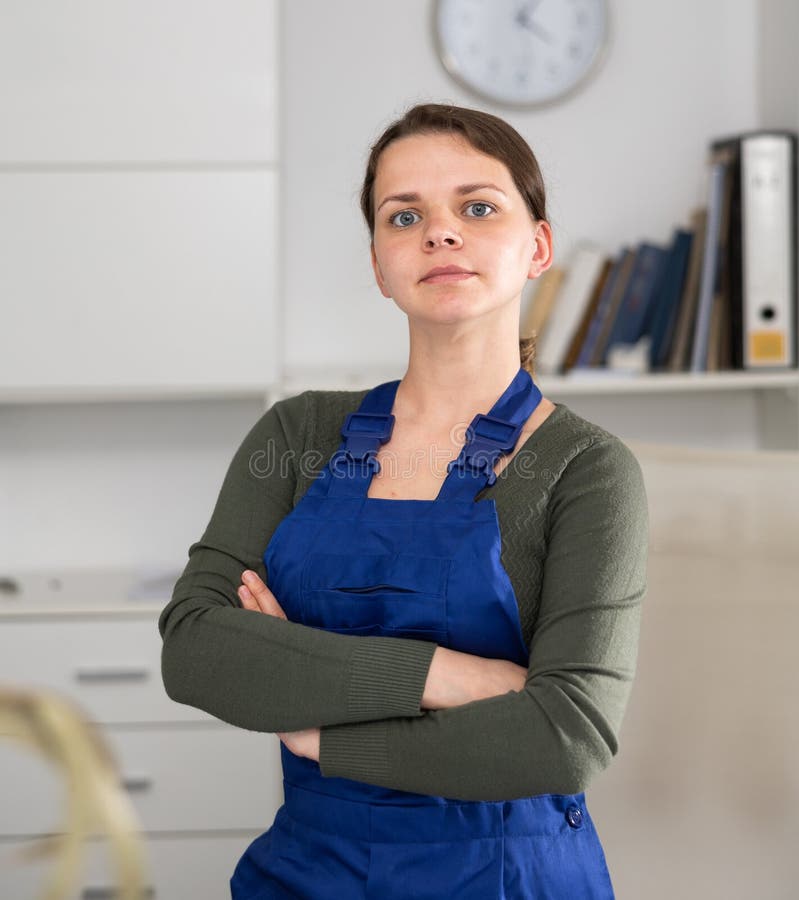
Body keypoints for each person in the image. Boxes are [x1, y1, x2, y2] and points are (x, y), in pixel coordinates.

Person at [158, 102, 649, 899]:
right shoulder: (296, 433)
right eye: (404, 215)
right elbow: (196, 650)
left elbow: (566, 736)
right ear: (380, 265)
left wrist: (322, 732)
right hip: (307, 874)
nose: (440, 232)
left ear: (538, 247)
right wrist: (450, 676)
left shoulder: (586, 469)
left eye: (478, 207)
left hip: (506, 877)